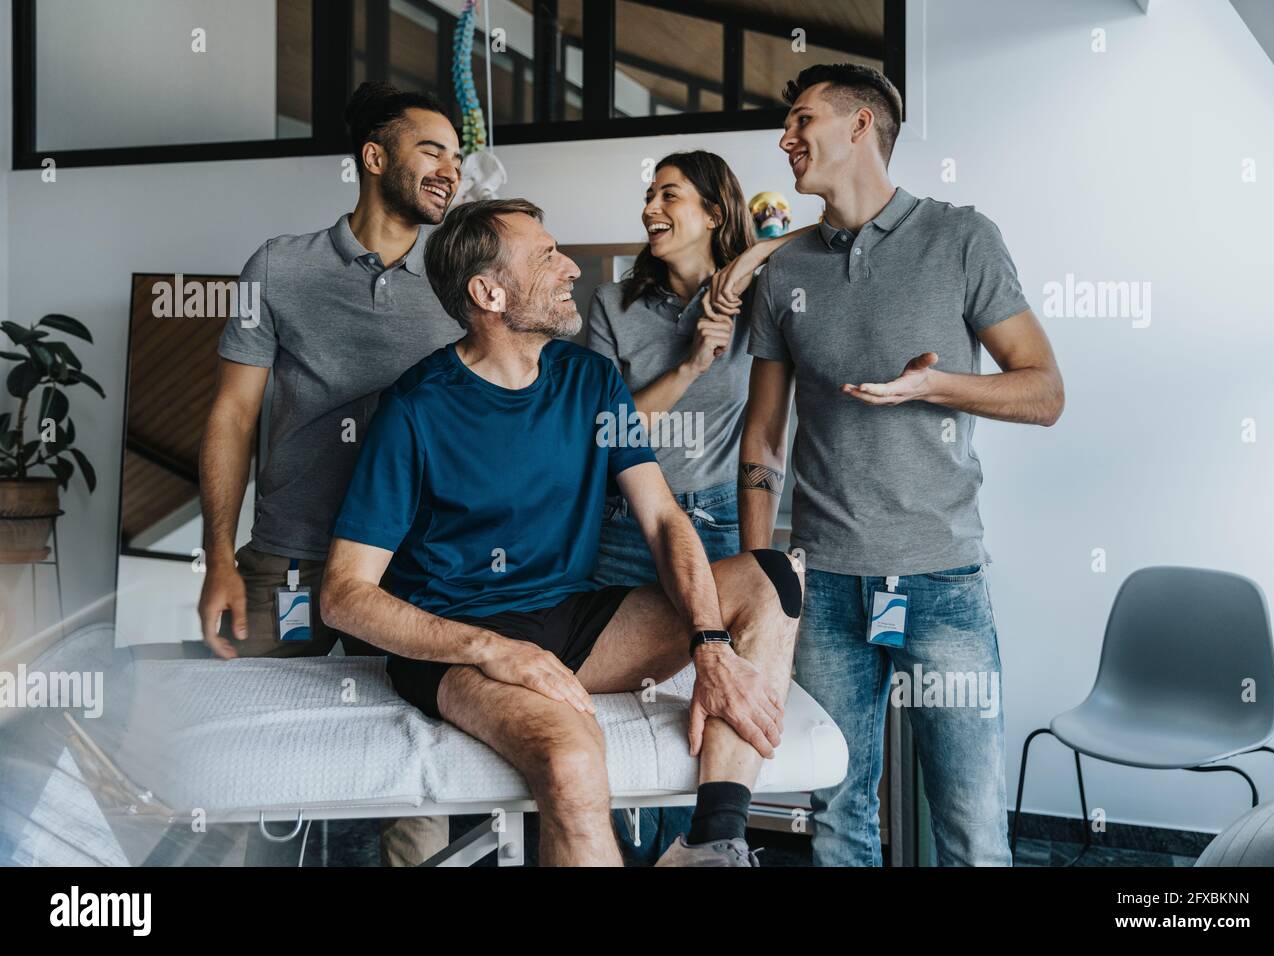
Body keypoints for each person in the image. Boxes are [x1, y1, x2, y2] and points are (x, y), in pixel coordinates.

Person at [319, 198, 806, 867]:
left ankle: (714, 840)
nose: (570, 268)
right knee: (573, 763)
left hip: (571, 618)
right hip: (458, 641)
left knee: (772, 576)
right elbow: (343, 594)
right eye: (546, 257)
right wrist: (490, 649)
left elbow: (663, 520)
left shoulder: (591, 380)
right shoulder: (415, 409)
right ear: (489, 292)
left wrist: (711, 642)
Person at [735, 63, 1065, 866]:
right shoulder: (784, 270)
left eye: (801, 119)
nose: (785, 139)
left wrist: (937, 386)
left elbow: (1044, 391)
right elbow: (762, 437)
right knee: (838, 813)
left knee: (970, 825)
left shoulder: (961, 237)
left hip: (940, 581)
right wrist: (763, 567)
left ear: (859, 126)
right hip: (829, 591)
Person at [197, 81, 463, 866]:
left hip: (413, 576)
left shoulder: (461, 284)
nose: (451, 169)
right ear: (373, 157)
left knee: (420, 789)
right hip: (290, 568)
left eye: (458, 155)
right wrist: (219, 557)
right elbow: (231, 417)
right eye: (432, 151)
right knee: (248, 765)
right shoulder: (278, 268)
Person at [585, 150, 805, 861]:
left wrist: (739, 272)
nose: (650, 206)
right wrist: (688, 366)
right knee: (628, 712)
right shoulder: (613, 304)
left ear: (715, 211)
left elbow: (832, 230)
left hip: (718, 520)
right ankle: (635, 854)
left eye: (668, 194)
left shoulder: (762, 296)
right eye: (647, 193)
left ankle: (710, 845)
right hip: (626, 525)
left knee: (706, 704)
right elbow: (603, 434)